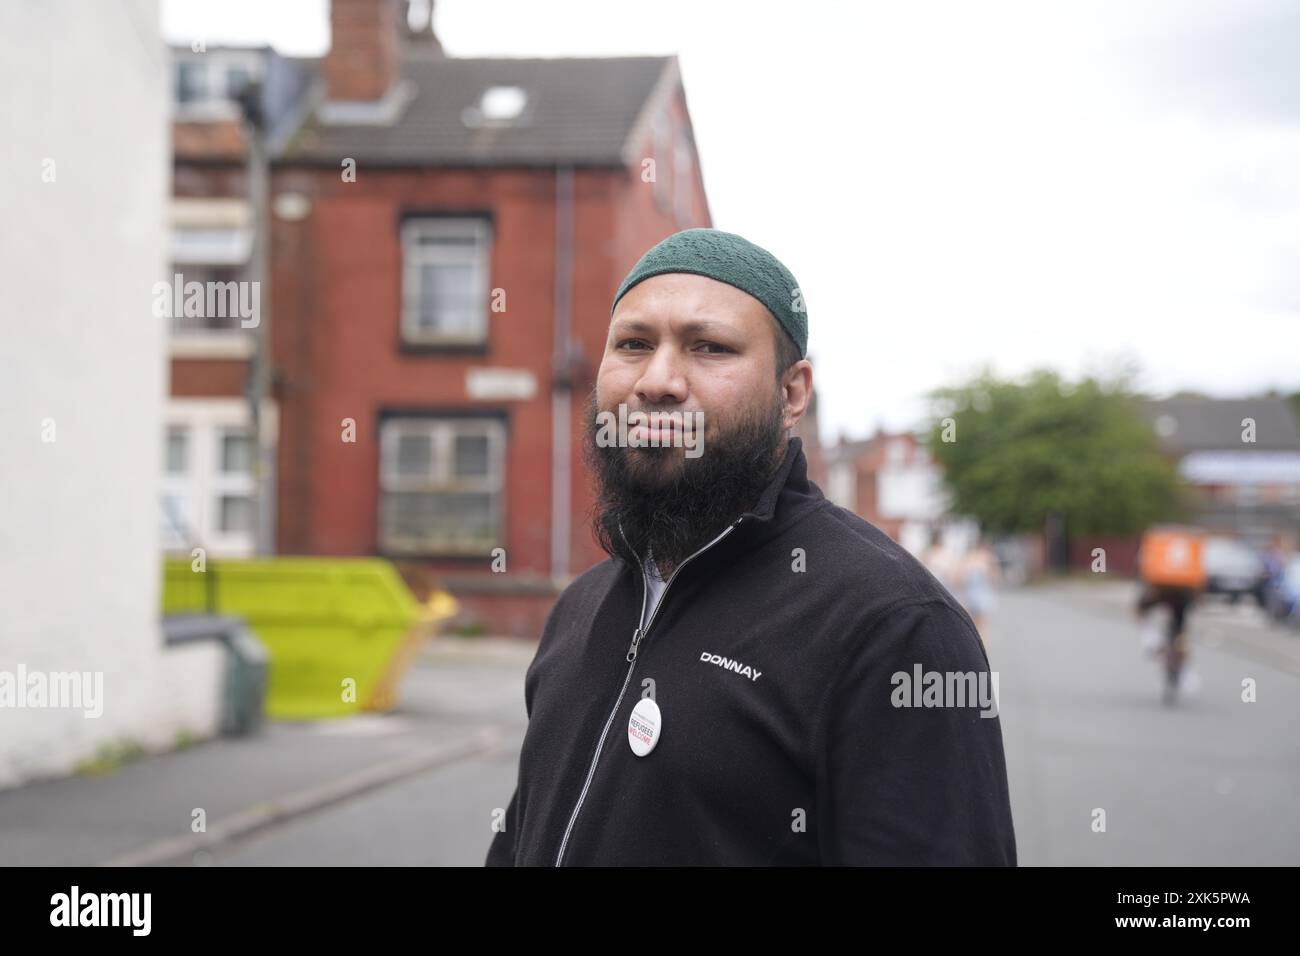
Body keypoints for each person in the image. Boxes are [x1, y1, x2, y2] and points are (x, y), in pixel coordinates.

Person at [485, 228, 1016, 866]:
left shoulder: (893, 625)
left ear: (791, 394)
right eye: (633, 344)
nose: (658, 380)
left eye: (709, 347)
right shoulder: (581, 605)